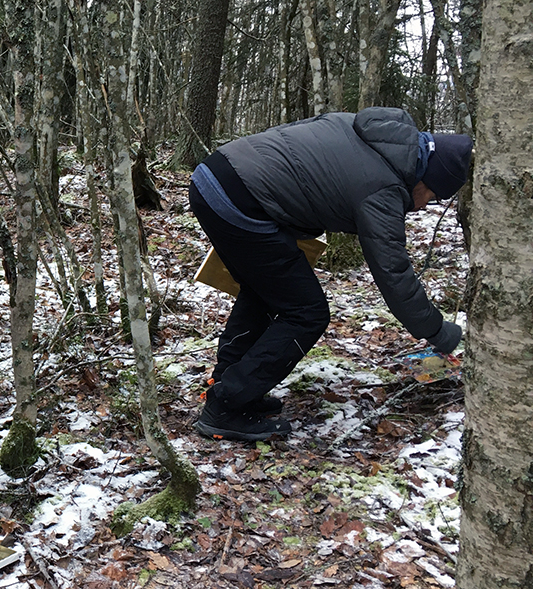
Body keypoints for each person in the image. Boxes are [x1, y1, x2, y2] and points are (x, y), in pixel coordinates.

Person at [189, 107, 472, 442]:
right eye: (432, 196)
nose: (424, 205)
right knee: (306, 312)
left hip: (216, 175)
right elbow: (394, 274)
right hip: (240, 201)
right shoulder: (382, 187)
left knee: (265, 291)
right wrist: (437, 330)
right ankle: (226, 405)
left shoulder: (371, 131)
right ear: (427, 178)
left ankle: (228, 386)